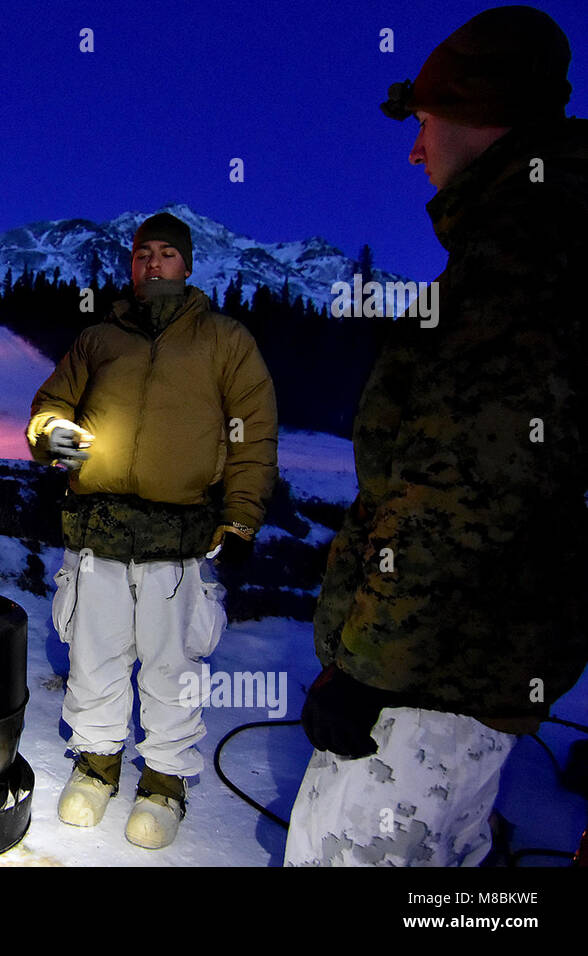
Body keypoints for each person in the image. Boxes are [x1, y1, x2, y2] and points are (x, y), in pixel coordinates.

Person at [286, 5, 588, 867]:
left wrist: (369, 668)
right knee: (447, 863)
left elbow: (465, 489)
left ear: (480, 116)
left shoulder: (521, 257)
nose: (416, 149)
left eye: (424, 123)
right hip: (484, 663)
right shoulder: (541, 234)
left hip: (433, 673)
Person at [26, 212, 278, 849]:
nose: (153, 264)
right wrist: (59, 441)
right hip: (99, 529)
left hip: (181, 537)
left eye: (166, 253)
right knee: (94, 657)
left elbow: (253, 434)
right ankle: (97, 764)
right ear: (131, 263)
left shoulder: (225, 339)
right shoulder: (99, 339)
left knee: (173, 666)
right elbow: (49, 407)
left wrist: (242, 518)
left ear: (187, 264)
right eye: (142, 254)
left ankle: (165, 780)